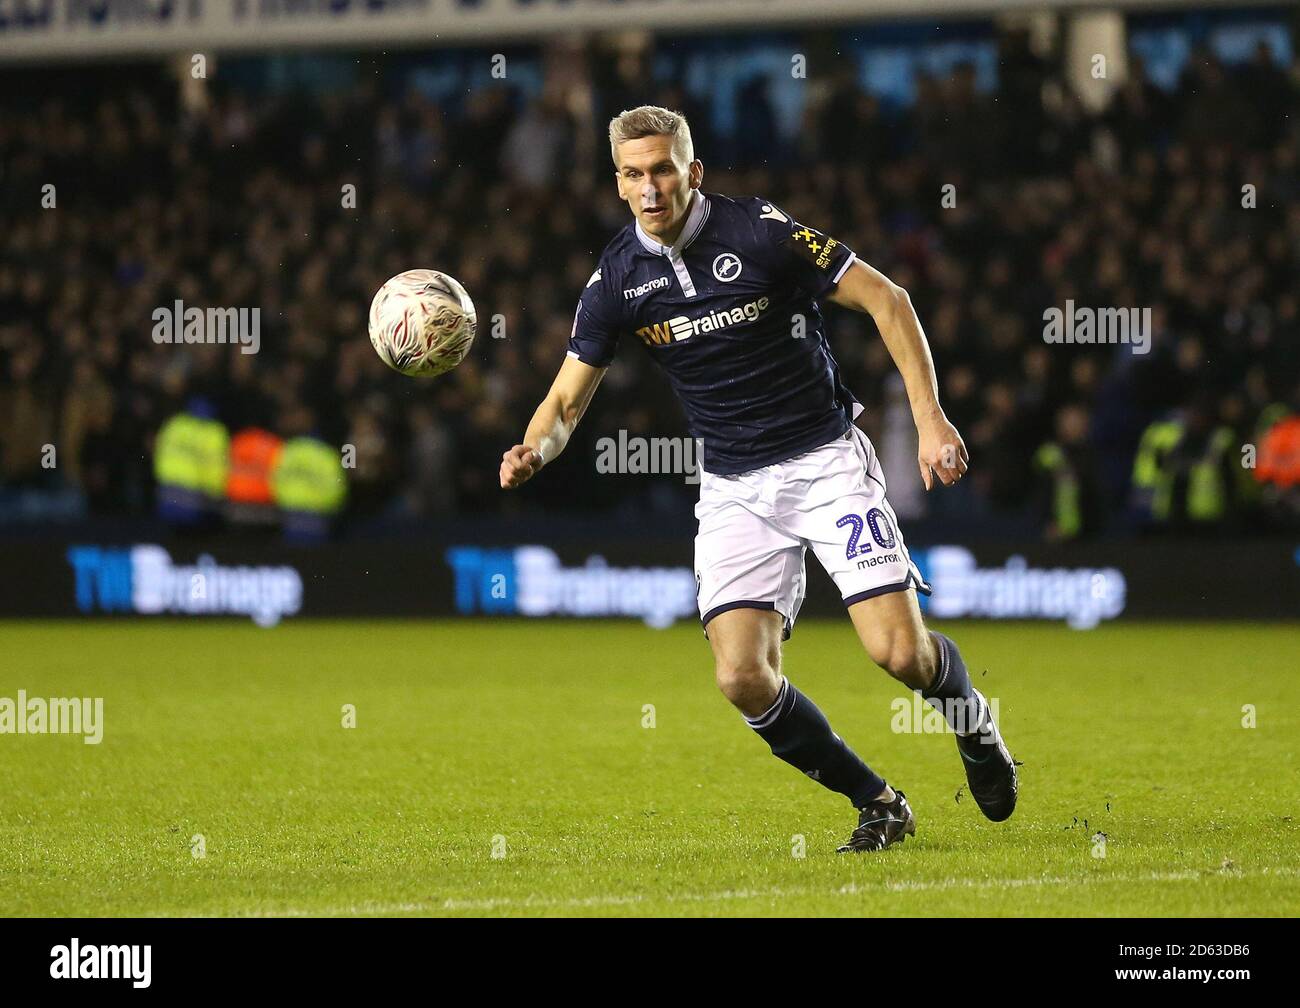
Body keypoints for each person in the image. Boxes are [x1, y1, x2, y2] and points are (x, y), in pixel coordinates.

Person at [500, 106, 1016, 852]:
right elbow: (565, 402)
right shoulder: (615, 279)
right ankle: (878, 802)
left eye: (664, 169)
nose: (652, 187)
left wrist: (931, 420)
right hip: (735, 486)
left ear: (692, 171)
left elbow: (887, 298)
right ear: (618, 184)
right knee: (741, 676)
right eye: (635, 174)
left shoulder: (761, 232)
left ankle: (971, 720)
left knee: (900, 655)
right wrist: (532, 450)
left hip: (825, 463)